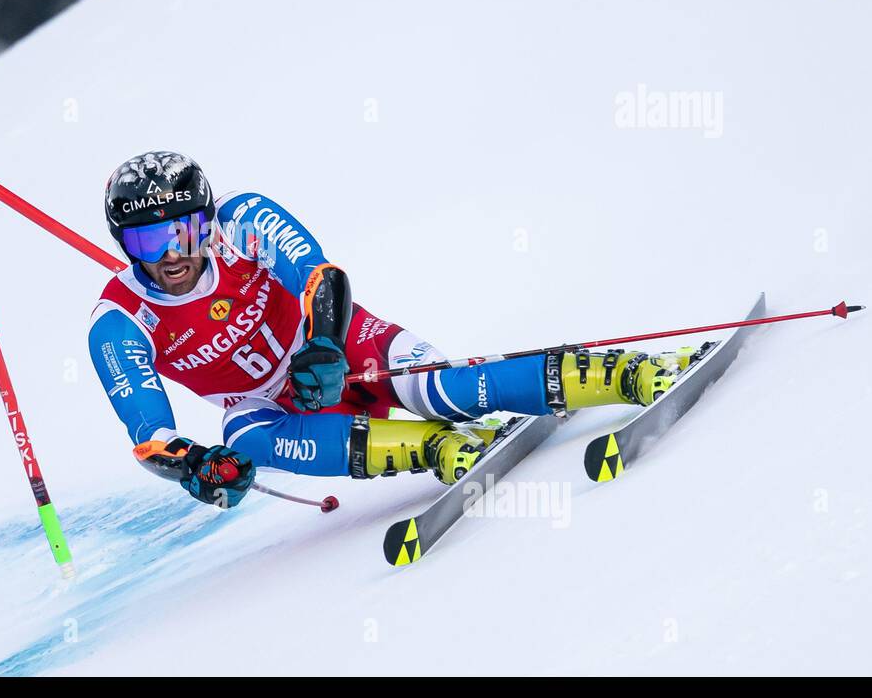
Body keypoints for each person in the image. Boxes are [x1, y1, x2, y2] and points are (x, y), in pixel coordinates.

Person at [88, 151, 687, 508]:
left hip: (338, 347)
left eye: (185, 231)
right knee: (244, 435)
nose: (172, 255)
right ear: (125, 245)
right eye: (148, 240)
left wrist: (322, 343)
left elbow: (321, 274)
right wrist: (198, 464)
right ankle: (434, 448)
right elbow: (149, 435)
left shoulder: (240, 220)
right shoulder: (118, 321)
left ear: (207, 220)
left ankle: (623, 373)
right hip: (270, 406)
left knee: (441, 393)